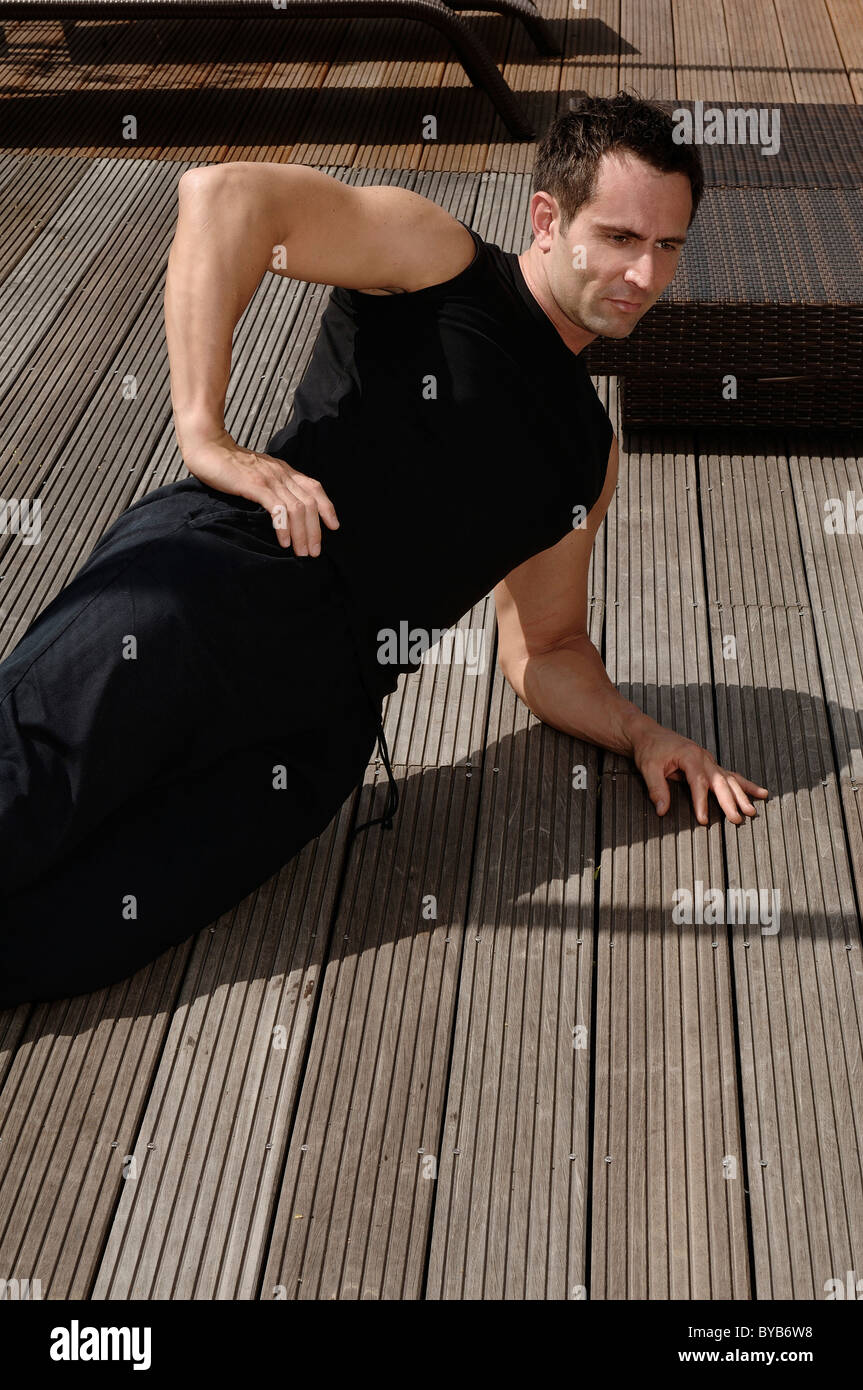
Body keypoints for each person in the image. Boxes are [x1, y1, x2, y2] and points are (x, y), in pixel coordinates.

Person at [0, 93, 768, 1008]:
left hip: (310, 735)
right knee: (16, 800)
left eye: (667, 248)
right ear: (546, 218)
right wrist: (205, 434)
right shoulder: (437, 259)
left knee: (63, 947)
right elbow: (225, 197)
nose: (643, 274)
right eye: (617, 238)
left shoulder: (583, 454)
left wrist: (640, 732)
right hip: (208, 596)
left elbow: (547, 651)